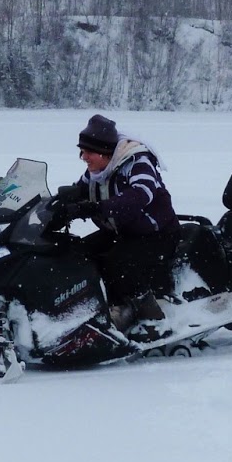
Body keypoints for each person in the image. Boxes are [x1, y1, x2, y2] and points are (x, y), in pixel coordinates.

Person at [51, 113, 180, 331]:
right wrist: (54, 207)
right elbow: (78, 190)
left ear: (105, 152)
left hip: (156, 232)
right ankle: (92, 306)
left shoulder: (138, 163)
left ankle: (147, 315)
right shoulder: (97, 170)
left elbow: (140, 195)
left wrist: (96, 208)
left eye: (88, 152)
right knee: (79, 252)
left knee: (119, 262)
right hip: (123, 231)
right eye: (81, 151)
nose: (83, 156)